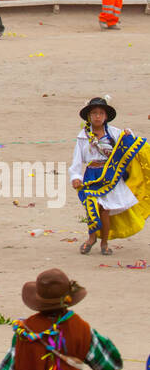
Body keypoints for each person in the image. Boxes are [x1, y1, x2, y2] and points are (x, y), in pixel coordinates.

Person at [70, 97, 150, 254]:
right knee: (92, 207)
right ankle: (91, 238)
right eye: (94, 113)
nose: (97, 116)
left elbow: (128, 144)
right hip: (92, 175)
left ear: (105, 116)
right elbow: (77, 159)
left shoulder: (114, 133)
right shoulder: (82, 137)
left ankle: (104, 243)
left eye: (101, 113)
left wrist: (128, 134)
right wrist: (75, 176)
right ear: (89, 116)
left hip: (110, 176)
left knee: (105, 209)